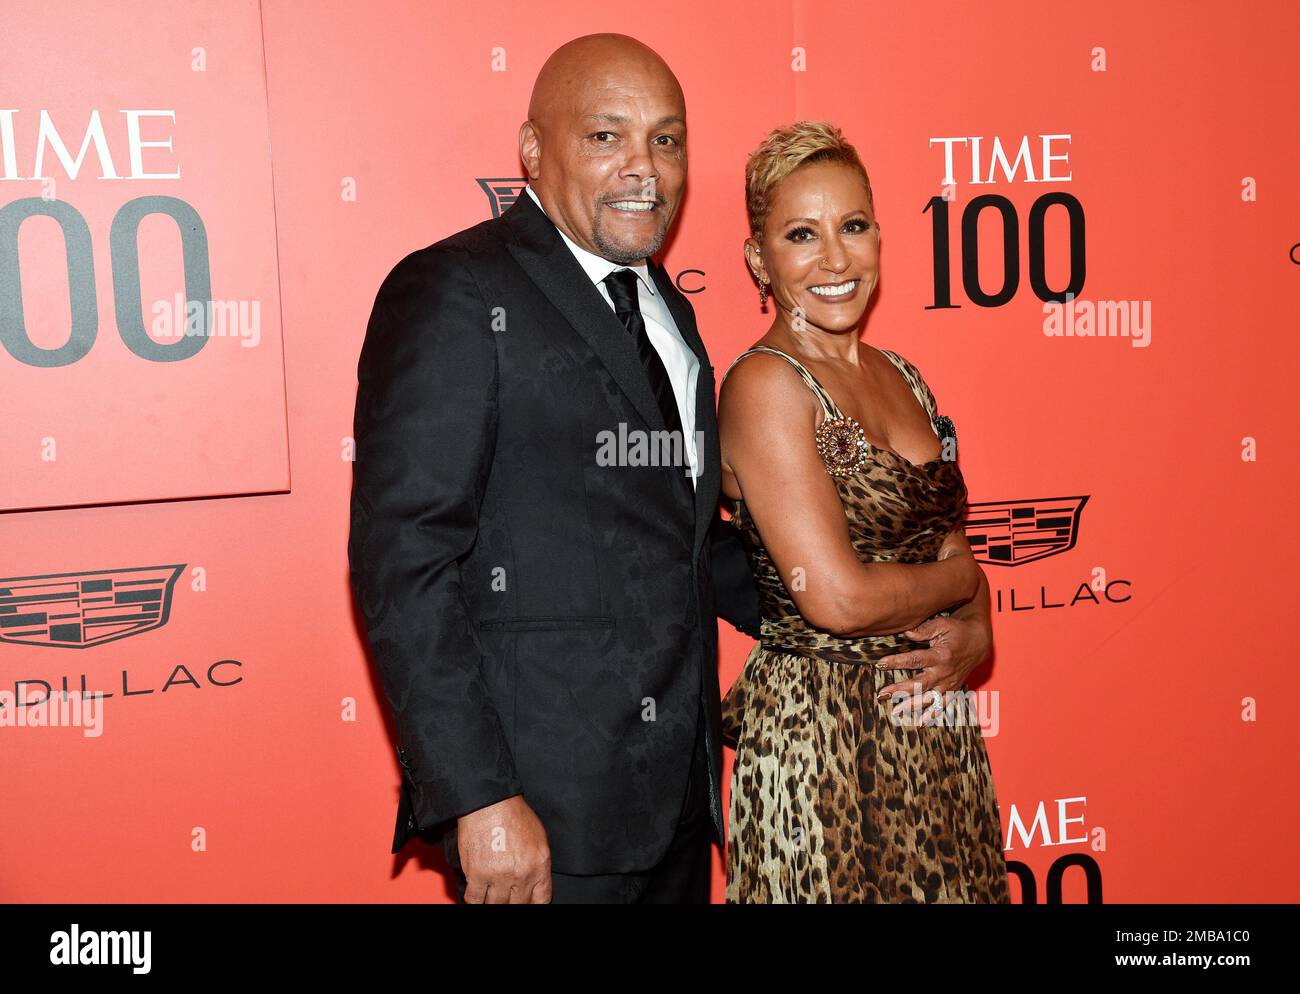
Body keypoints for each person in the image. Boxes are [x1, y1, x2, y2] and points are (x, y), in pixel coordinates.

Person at [347, 33, 765, 904]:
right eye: (606, 137)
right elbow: (405, 561)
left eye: (666, 139)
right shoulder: (454, 289)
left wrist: (882, 617)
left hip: (681, 803)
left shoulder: (667, 310)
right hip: (542, 815)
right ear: (533, 151)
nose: (642, 168)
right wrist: (481, 797)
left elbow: (681, 542)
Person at [718, 121, 1011, 903]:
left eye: (852, 226)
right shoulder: (764, 387)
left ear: (880, 235)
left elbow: (950, 550)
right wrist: (961, 581)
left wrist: (977, 632)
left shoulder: (905, 377)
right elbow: (837, 598)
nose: (835, 260)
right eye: (801, 235)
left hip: (934, 729)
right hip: (819, 747)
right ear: (759, 259)